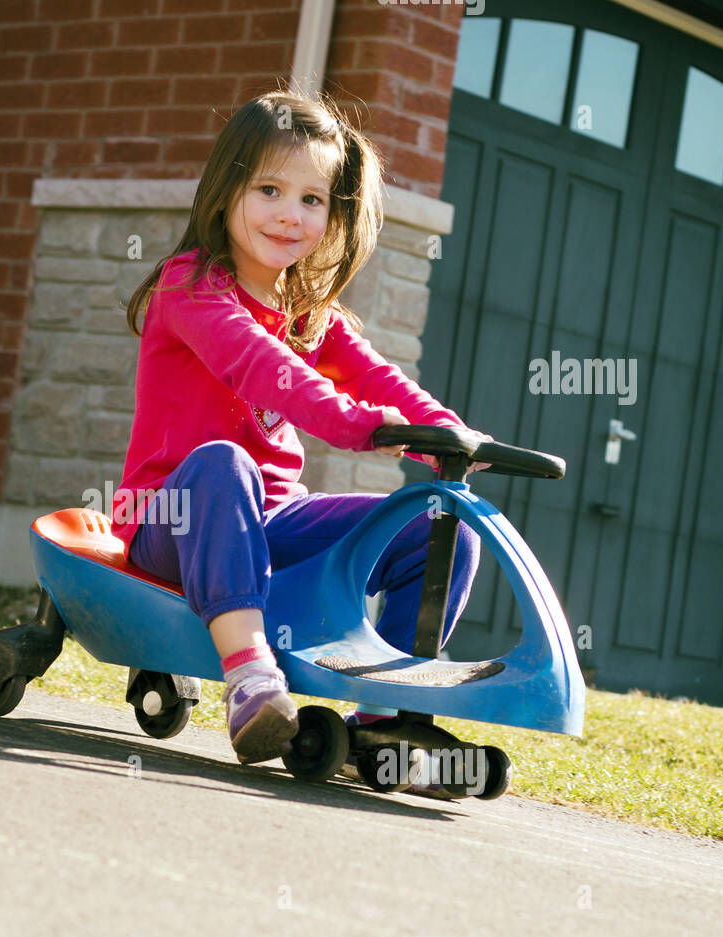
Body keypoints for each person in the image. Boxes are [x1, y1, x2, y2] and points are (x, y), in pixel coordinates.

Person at [117, 89, 489, 766]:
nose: (290, 216)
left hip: (273, 519)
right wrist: (357, 425)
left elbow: (383, 381)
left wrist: (445, 435)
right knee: (224, 462)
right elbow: (259, 366)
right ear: (227, 189)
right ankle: (251, 679)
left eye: (312, 200)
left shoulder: (312, 311)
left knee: (440, 528)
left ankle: (386, 715)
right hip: (170, 515)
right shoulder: (191, 287)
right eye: (268, 190)